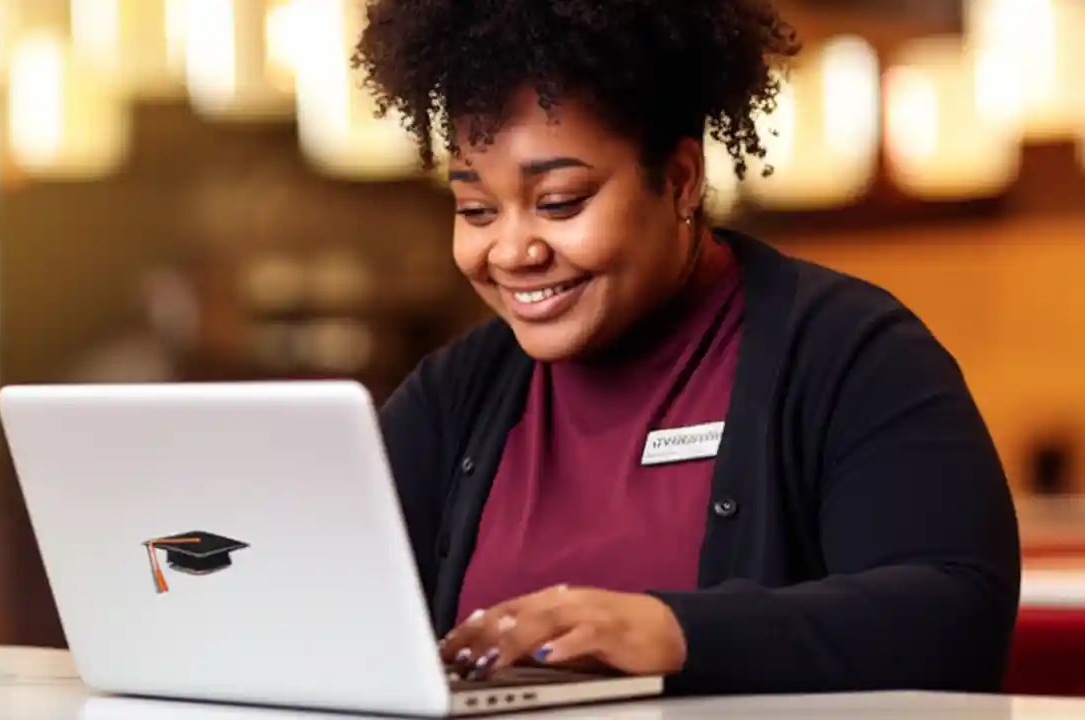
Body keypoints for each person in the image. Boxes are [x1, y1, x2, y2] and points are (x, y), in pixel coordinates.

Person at [355, 0, 1021, 696]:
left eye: (558, 202)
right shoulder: (456, 393)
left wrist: (672, 632)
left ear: (679, 182)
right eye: (476, 211)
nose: (513, 251)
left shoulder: (851, 352)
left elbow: (953, 618)